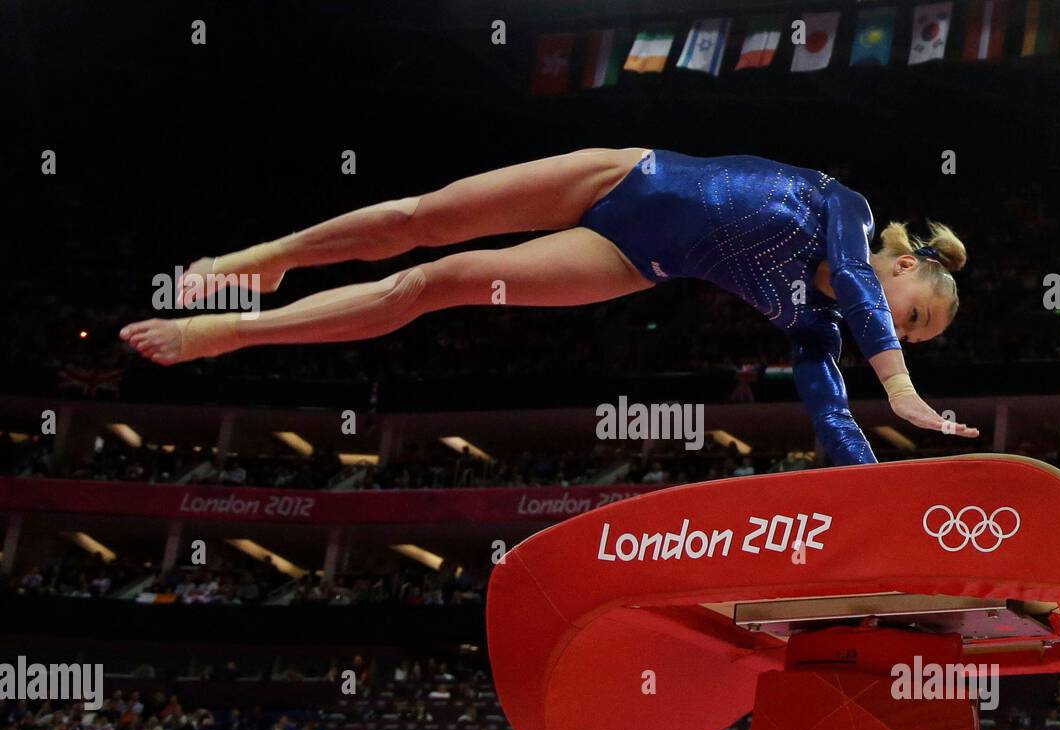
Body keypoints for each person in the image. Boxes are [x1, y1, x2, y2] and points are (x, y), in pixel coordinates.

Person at [120, 148, 978, 465]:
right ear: (905, 263)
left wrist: (873, 490)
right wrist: (900, 385)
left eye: (914, 338)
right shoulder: (852, 213)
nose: (905, 333)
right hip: (624, 176)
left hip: (628, 256)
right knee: (426, 216)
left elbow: (831, 412)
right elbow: (861, 291)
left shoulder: (816, 326)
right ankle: (258, 261)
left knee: (437, 282)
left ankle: (232, 329)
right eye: (916, 317)